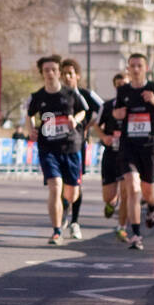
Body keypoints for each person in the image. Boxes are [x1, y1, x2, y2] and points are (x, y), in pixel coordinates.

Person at [112, 52, 154, 251]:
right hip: (129, 145)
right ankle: (136, 234)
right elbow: (115, 112)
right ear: (128, 69)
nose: (136, 69)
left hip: (151, 146)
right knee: (132, 187)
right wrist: (118, 114)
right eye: (132, 66)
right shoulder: (123, 91)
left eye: (139, 65)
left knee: (148, 190)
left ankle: (151, 207)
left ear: (146, 68)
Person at [26, 55, 86, 245]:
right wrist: (30, 129)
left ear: (59, 72)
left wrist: (75, 120)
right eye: (46, 70)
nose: (50, 73)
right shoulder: (38, 97)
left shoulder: (70, 94)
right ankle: (57, 230)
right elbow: (29, 115)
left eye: (53, 70)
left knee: (71, 193)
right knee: (55, 187)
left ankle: (66, 206)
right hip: (48, 148)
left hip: (71, 147)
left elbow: (83, 110)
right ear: (42, 73)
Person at [59, 58, 103, 240]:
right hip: (58, 145)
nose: (67, 77)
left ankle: (75, 222)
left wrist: (90, 126)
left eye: (71, 74)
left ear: (77, 75)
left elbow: (103, 108)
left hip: (77, 144)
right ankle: (63, 216)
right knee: (59, 183)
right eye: (64, 74)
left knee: (75, 184)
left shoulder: (86, 94)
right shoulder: (57, 94)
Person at [97, 73, 130, 241]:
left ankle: (122, 227)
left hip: (128, 154)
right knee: (108, 197)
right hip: (111, 154)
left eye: (124, 84)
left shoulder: (135, 104)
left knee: (126, 193)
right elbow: (97, 125)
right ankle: (111, 204)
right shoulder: (107, 106)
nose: (121, 87)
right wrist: (104, 137)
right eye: (118, 84)